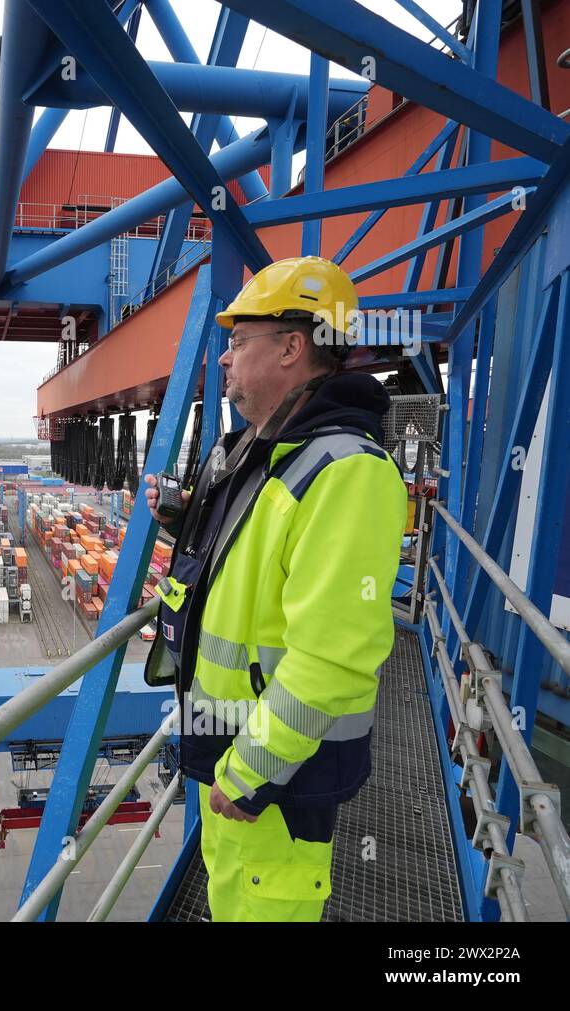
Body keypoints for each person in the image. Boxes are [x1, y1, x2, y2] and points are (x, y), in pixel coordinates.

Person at [142, 256, 406, 921]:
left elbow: (334, 654)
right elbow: (246, 553)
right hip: (230, 755)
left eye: (238, 340)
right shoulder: (262, 450)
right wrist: (183, 515)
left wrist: (249, 771)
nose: (224, 358)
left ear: (291, 347)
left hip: (273, 779)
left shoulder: (346, 470)